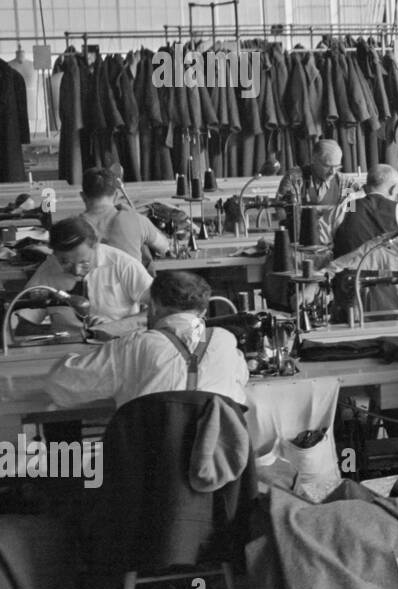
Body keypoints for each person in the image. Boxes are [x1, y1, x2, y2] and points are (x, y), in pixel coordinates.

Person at [44, 270, 249, 409]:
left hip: (148, 466)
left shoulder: (133, 346)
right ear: (203, 312)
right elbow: (241, 379)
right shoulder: (225, 341)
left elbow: (60, 386)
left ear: (153, 306)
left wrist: (74, 357)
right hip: (216, 465)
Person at [25, 217, 152, 330]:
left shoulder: (123, 265)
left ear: (96, 246)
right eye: (65, 262)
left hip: (118, 346)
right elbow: (25, 316)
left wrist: (115, 326)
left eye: (84, 262)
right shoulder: (49, 268)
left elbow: (163, 309)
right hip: (66, 349)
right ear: (53, 252)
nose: (76, 271)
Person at [77, 167, 172, 268]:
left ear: (82, 196)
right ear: (116, 196)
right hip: (132, 283)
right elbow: (165, 247)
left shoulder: (71, 229)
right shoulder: (136, 220)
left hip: (91, 283)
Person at [331, 163, 398, 257]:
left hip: (347, 267)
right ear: (392, 189)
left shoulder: (349, 203)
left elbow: (333, 232)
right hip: (384, 268)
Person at [276, 138, 347, 243]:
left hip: (333, 241)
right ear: (314, 159)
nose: (333, 172)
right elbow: (283, 211)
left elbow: (352, 212)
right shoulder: (294, 177)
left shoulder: (346, 182)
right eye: (327, 166)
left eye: (337, 166)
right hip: (298, 241)